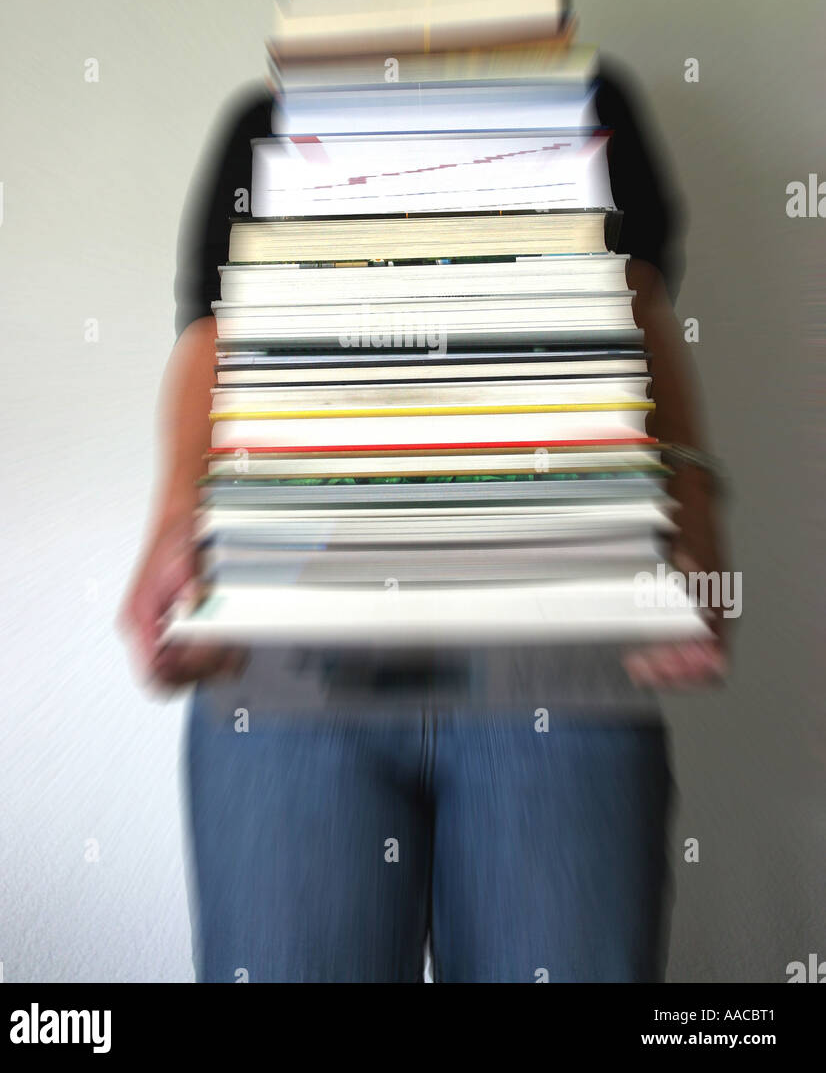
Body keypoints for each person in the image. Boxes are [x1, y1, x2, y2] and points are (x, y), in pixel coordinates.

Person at [120, 58, 729, 982]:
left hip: (556, 659)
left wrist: (692, 518)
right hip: (289, 661)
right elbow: (213, 337)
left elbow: (638, 312)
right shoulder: (270, 122)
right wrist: (174, 532)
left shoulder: (589, 107)